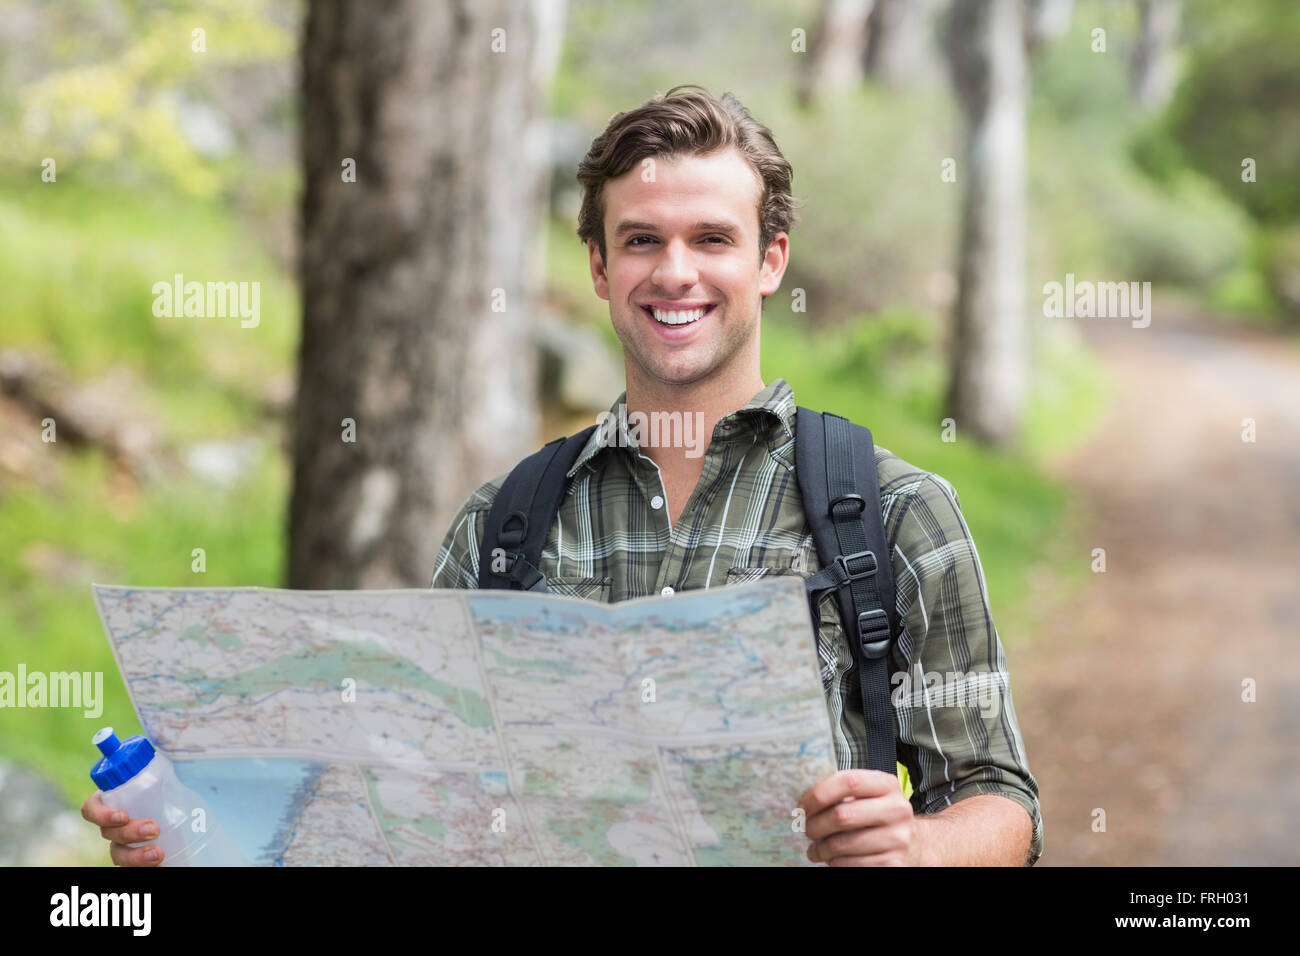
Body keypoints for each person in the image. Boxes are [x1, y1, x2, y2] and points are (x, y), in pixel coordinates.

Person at [85, 84, 1042, 867]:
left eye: (712, 238)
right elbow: (411, 818)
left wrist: (916, 847)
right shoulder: (501, 526)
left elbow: (1003, 804)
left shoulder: (895, 513)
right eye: (640, 240)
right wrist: (197, 836)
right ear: (597, 265)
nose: (675, 273)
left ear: (769, 261)